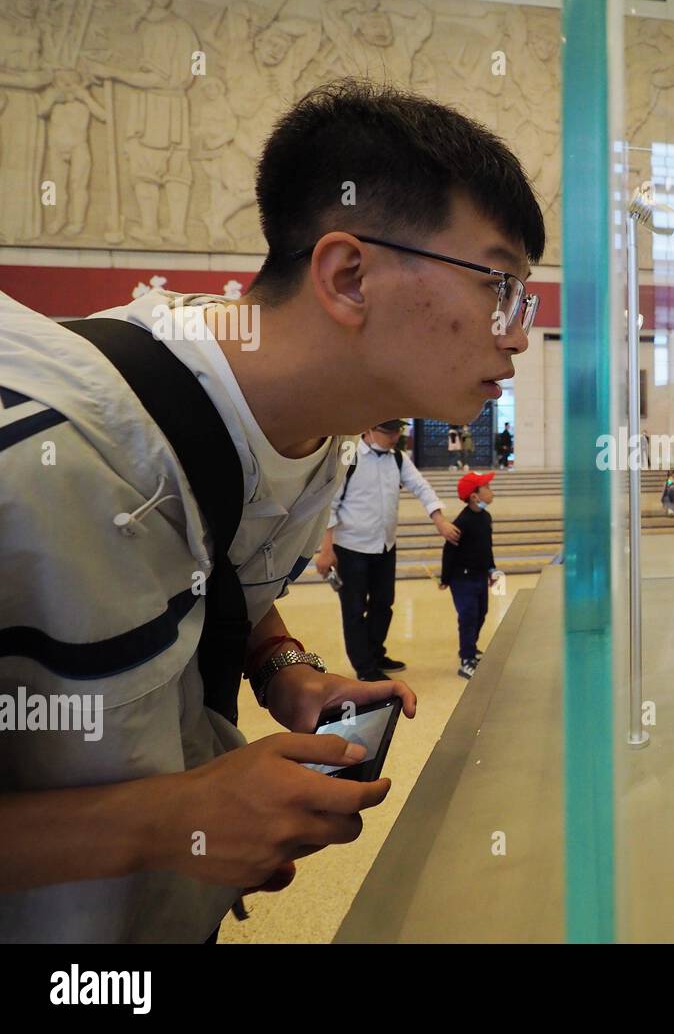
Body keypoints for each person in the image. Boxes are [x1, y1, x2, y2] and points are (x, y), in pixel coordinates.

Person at [0, 78, 544, 943]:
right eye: (500, 284)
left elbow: (211, 559)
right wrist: (173, 818)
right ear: (349, 274)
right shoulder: (41, 452)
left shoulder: (305, 434)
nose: (517, 331)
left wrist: (281, 665)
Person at [315, 420, 462, 680]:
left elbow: (421, 486)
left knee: (384, 604)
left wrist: (439, 519)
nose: (396, 436)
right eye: (389, 431)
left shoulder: (398, 458)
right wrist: (326, 550)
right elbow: (330, 503)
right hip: (351, 547)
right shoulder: (350, 455)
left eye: (398, 431)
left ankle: (375, 653)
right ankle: (364, 667)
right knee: (354, 609)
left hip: (385, 546)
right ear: (369, 429)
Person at [438, 472, 500, 680]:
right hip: (461, 578)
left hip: (480, 575)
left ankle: (470, 648)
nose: (491, 491)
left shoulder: (485, 517)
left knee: (482, 612)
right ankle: (466, 660)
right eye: (487, 488)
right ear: (475, 496)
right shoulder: (462, 522)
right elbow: (449, 550)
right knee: (468, 616)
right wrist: (445, 578)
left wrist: (491, 569)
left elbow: (486, 548)